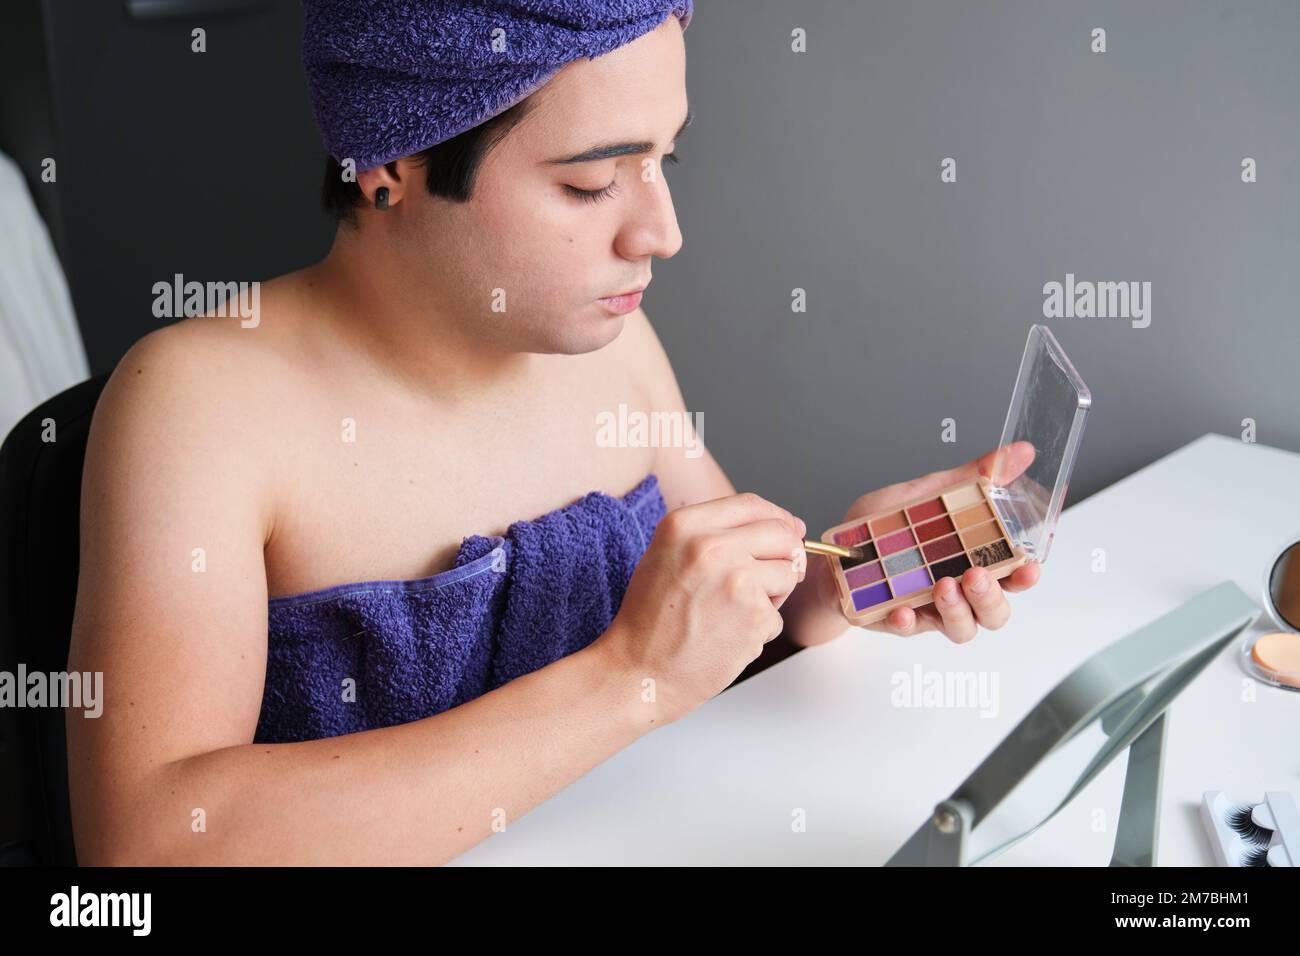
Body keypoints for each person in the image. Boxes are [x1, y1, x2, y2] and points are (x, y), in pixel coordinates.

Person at [65, 1, 1038, 865]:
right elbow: (147, 838)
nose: (660, 231)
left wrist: (845, 574)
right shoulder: (199, 403)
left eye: (665, 159)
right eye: (591, 184)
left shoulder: (613, 349)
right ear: (392, 166)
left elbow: (723, 632)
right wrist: (629, 679)